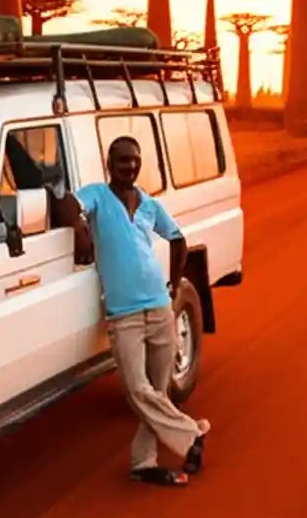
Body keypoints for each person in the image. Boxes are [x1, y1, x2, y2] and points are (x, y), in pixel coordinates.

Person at [72, 135, 211, 487]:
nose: (130, 166)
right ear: (109, 163)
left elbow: (177, 238)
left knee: (158, 391)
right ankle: (191, 433)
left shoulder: (149, 204)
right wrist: (79, 226)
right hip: (125, 315)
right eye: (122, 161)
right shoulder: (98, 197)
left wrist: (174, 283)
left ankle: (143, 462)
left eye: (135, 160)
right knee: (138, 389)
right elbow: (66, 206)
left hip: (160, 307)